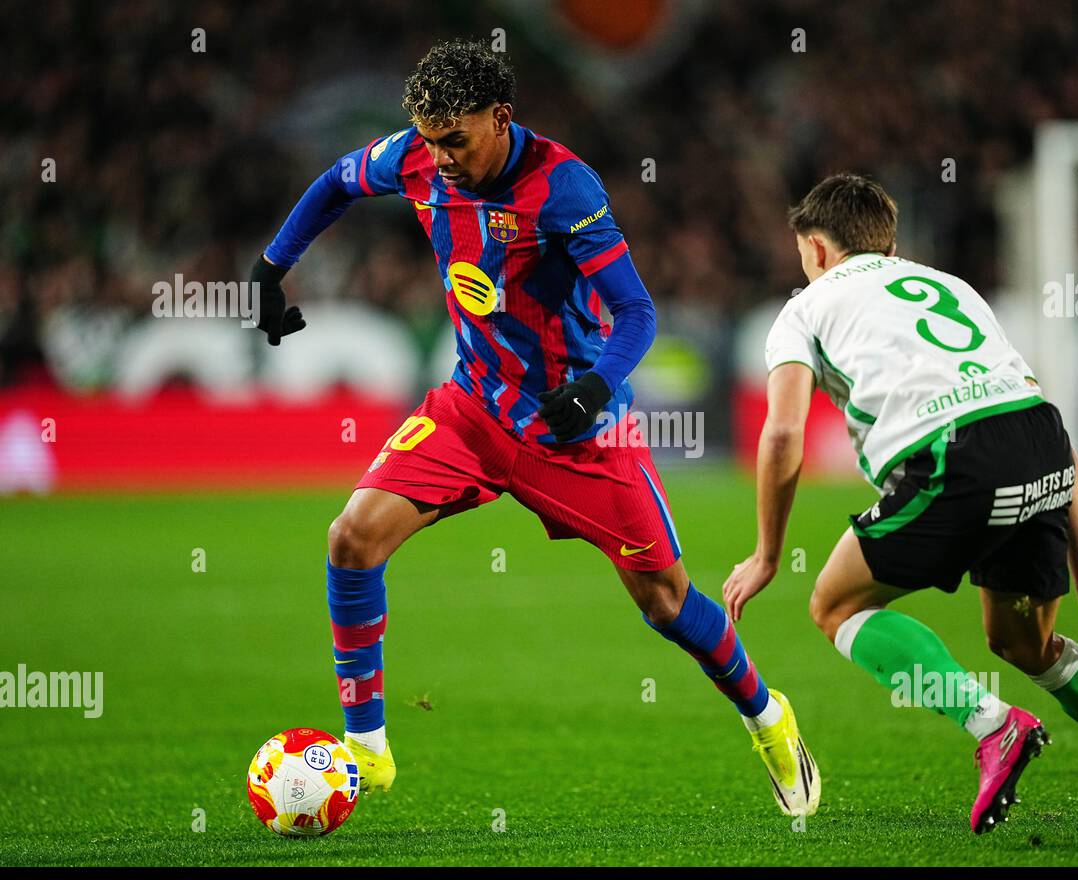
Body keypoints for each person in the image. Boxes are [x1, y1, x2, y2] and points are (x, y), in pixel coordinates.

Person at [250, 39, 819, 816]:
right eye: (428, 138)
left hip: (577, 435)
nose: (440, 157)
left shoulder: (563, 187)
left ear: (500, 118)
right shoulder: (415, 159)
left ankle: (768, 716)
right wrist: (270, 267)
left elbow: (637, 312)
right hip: (472, 410)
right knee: (351, 537)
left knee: (664, 602)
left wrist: (594, 387)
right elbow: (333, 184)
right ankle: (368, 754)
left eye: (456, 139)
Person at [723, 173, 1078, 837]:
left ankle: (992, 724)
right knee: (1023, 642)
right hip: (1040, 449)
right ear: (889, 246)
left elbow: (782, 433)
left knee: (836, 604)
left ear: (813, 249)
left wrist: (766, 554)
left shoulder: (804, 309)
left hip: (957, 459)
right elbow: (1037, 417)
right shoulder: (952, 288)